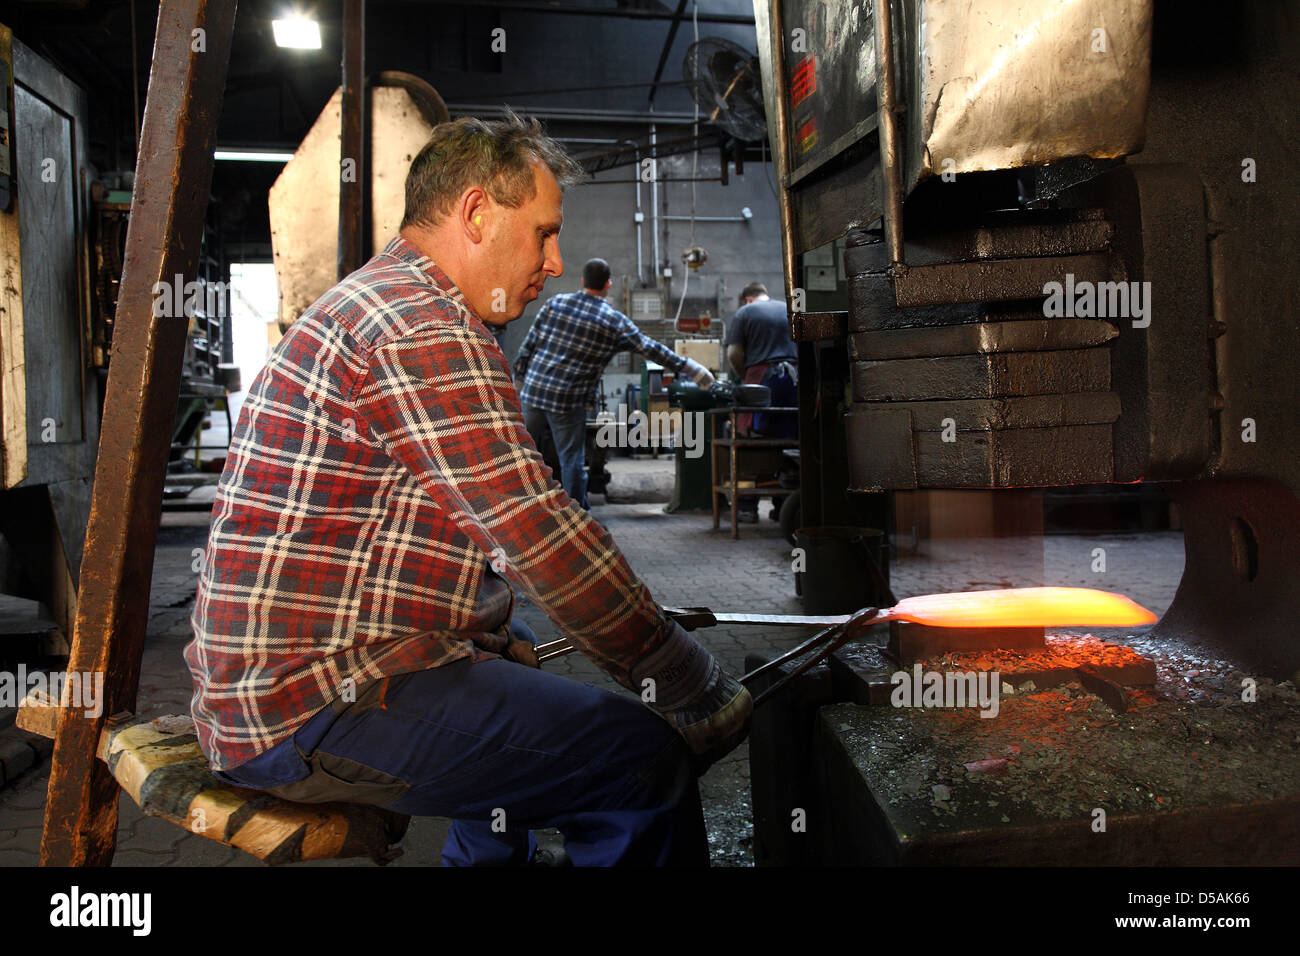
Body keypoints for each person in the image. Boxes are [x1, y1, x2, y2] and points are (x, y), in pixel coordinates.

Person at [185, 113, 751, 867]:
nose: (554, 260)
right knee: (640, 760)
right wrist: (682, 677)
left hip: (271, 691)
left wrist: (486, 637)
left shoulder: (381, 301)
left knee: (507, 687)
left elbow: (405, 542)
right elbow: (543, 542)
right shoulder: (423, 327)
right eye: (544, 233)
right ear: (478, 212)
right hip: (308, 706)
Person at [514, 258, 715, 508]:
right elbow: (650, 348)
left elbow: (528, 346)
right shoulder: (613, 321)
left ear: (582, 281)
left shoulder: (556, 304)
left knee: (523, 455)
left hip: (533, 392)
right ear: (607, 285)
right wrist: (691, 368)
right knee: (571, 461)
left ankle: (520, 509)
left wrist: (518, 381)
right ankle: (578, 520)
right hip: (567, 401)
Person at [724, 282, 798, 521]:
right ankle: (785, 504)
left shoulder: (745, 312)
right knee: (790, 442)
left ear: (747, 299)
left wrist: (744, 376)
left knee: (748, 442)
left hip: (761, 383)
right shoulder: (790, 307)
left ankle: (747, 506)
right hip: (796, 382)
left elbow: (733, 354)